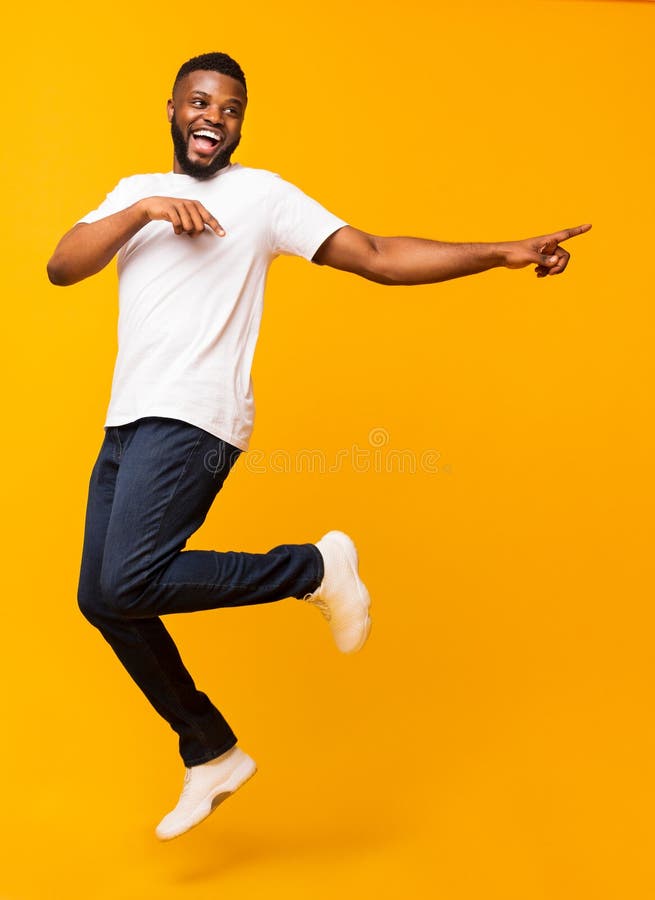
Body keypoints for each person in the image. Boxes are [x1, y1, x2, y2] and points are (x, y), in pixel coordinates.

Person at [47, 51, 591, 842]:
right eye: (199, 103)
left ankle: (313, 568)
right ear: (170, 108)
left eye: (230, 109)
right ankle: (209, 750)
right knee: (102, 597)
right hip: (126, 423)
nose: (214, 117)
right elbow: (64, 266)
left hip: (193, 417)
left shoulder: (259, 196)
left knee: (129, 577)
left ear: (239, 123)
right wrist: (146, 212)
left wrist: (498, 252)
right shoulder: (133, 196)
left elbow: (373, 255)